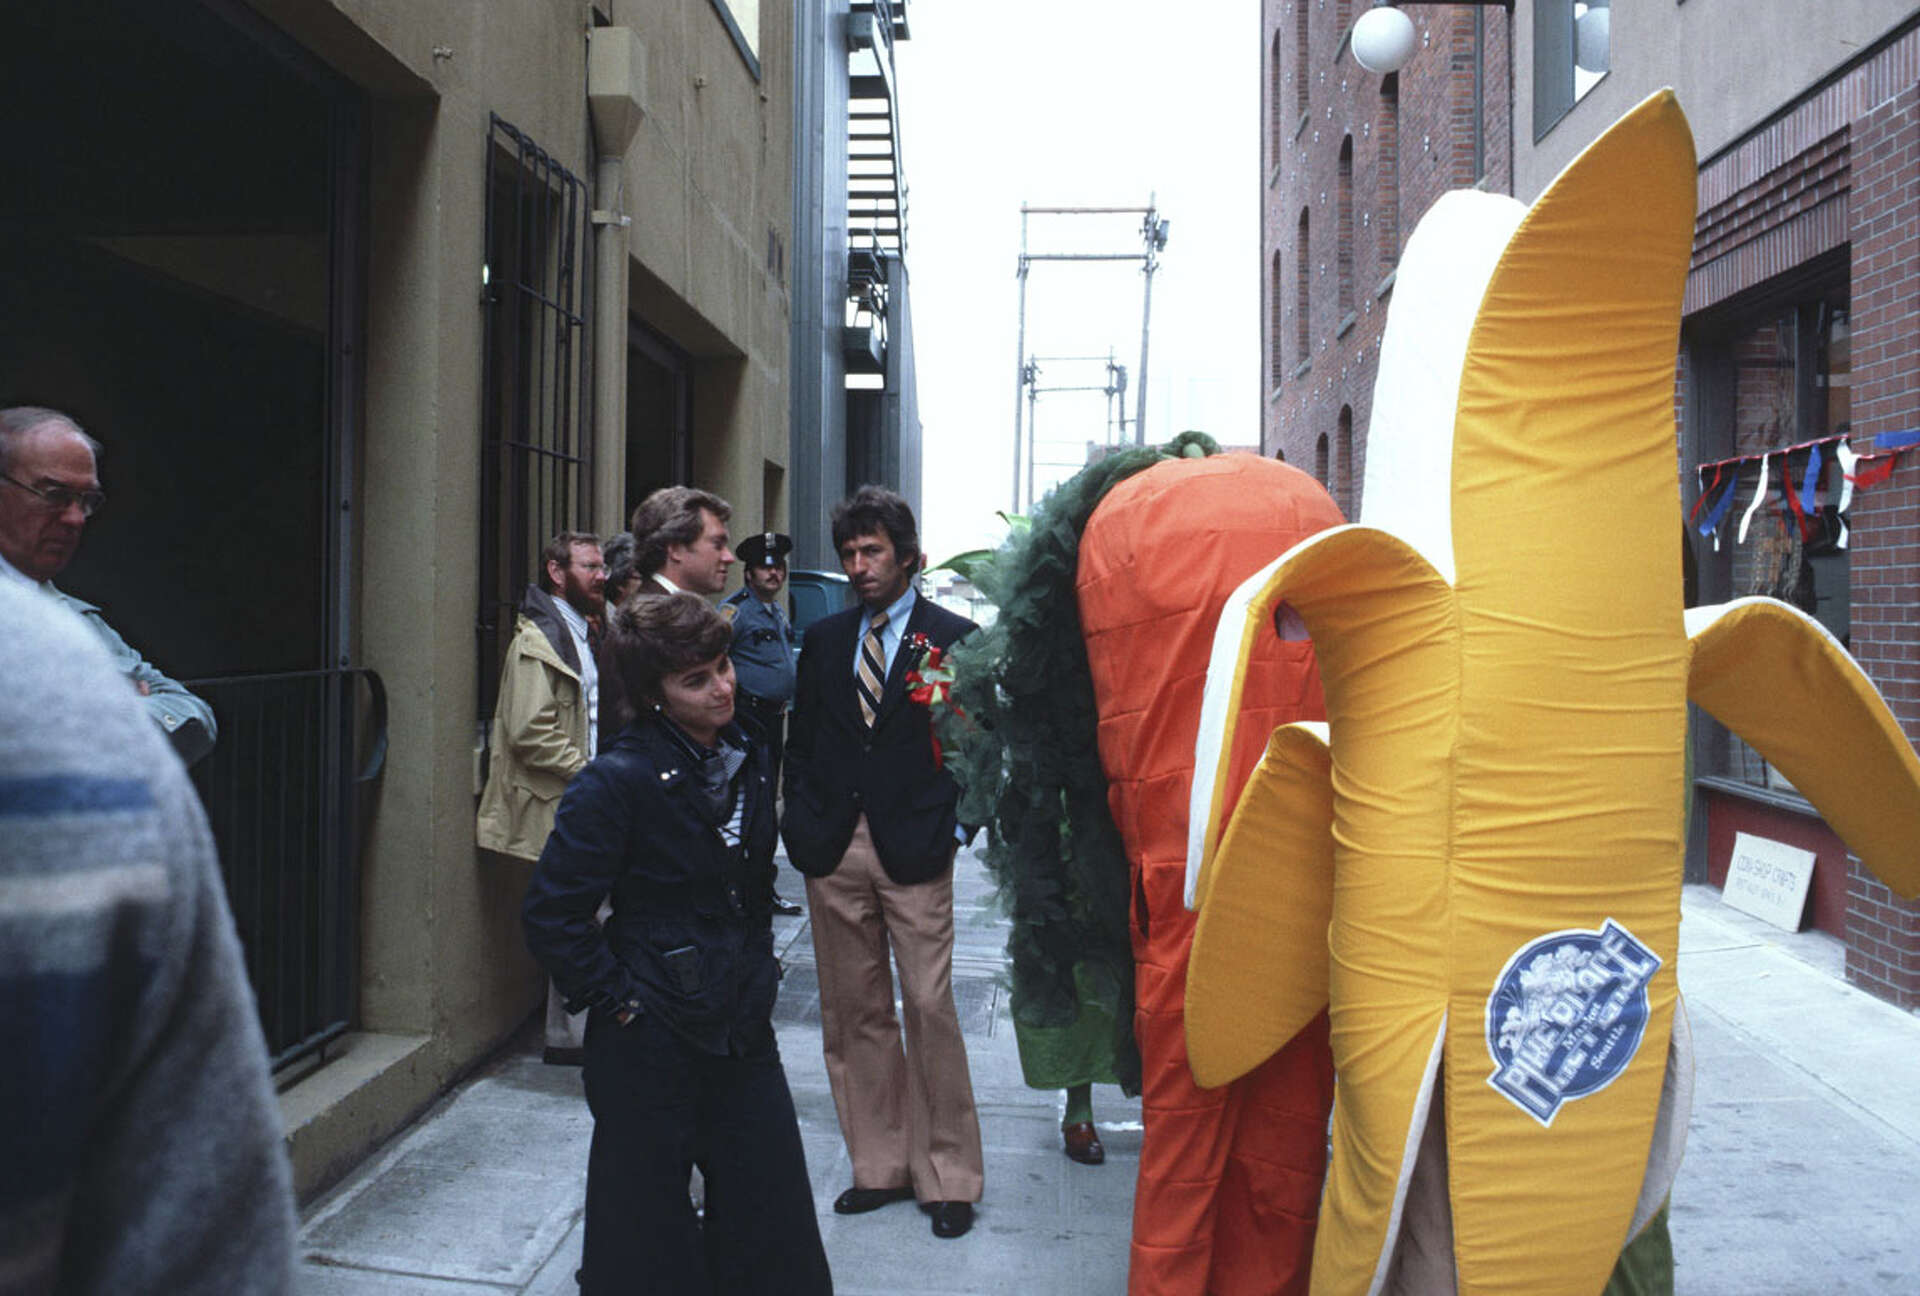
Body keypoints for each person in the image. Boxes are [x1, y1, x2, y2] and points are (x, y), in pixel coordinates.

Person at [522, 594, 832, 1296]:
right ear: (653, 695)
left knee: (772, 1223)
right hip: (649, 1040)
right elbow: (552, 915)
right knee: (645, 1239)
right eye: (697, 679)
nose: (722, 686)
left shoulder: (748, 750)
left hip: (741, 1027)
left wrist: (757, 971)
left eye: (723, 666)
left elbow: (751, 887)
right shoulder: (615, 781)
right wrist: (621, 1002)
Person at [0, 579, 297, 1294]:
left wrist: (118, 723)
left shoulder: (56, 643)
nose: (73, 524)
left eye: (86, 509)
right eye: (50, 501)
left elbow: (187, 709)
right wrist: (116, 717)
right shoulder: (49, 661)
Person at [781, 485, 984, 1239]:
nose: (859, 566)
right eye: (849, 553)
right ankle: (880, 1166)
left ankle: (949, 1176)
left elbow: (977, 746)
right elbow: (804, 741)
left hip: (917, 846)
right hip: (834, 846)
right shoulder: (826, 639)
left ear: (909, 558)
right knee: (853, 1009)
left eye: (872, 551)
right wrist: (799, 824)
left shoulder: (954, 638)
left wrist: (957, 828)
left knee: (928, 1006)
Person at [0, 405, 216, 765]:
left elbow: (194, 715)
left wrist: (100, 718)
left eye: (86, 501)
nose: (75, 519)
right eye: (54, 494)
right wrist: (117, 708)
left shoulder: (75, 617)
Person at [477, 530, 607, 1064]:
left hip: (582, 797)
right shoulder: (538, 641)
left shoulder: (584, 631)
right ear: (557, 572)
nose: (601, 575)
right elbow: (530, 732)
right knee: (581, 914)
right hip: (563, 800)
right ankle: (573, 1037)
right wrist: (591, 773)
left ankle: (570, 1034)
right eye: (590, 566)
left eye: (601, 566)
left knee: (583, 912)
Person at [723, 531, 804, 917]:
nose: (775, 573)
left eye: (779, 567)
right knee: (747, 804)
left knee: (767, 804)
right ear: (749, 573)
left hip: (773, 719)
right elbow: (712, 658)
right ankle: (739, 890)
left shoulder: (776, 612)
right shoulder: (735, 613)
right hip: (745, 719)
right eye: (765, 567)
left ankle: (761, 889)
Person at [628, 485, 736, 597]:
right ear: (676, 550)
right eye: (717, 545)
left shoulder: (650, 603)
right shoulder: (655, 607)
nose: (729, 558)